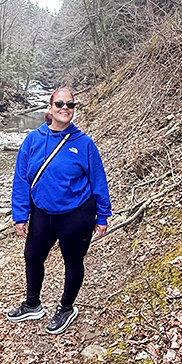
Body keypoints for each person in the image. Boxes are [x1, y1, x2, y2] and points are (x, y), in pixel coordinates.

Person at [8, 87, 111, 335]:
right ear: (50, 108)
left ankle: (66, 307)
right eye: (60, 104)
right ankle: (33, 303)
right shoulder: (33, 139)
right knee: (32, 257)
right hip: (42, 212)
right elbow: (21, 179)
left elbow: (98, 180)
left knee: (73, 262)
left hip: (77, 213)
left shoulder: (84, 144)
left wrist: (103, 215)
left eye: (70, 105)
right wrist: (20, 214)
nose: (65, 108)